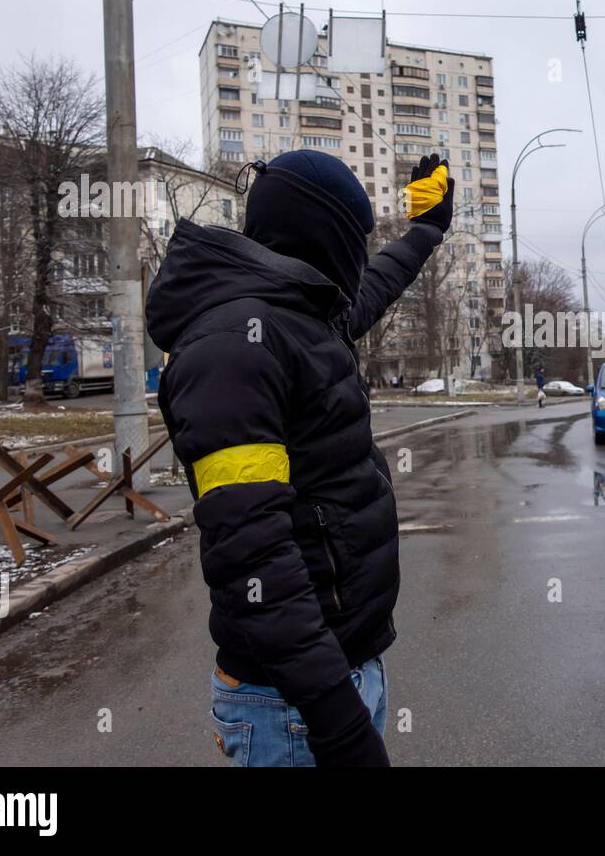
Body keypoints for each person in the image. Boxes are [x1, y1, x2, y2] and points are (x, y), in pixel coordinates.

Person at [145, 150, 453, 767]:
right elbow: (251, 551)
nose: (361, 258)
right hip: (291, 706)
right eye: (355, 241)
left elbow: (374, 287)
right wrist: (335, 718)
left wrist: (425, 231)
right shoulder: (236, 345)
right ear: (327, 237)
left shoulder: (295, 317)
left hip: (327, 680)